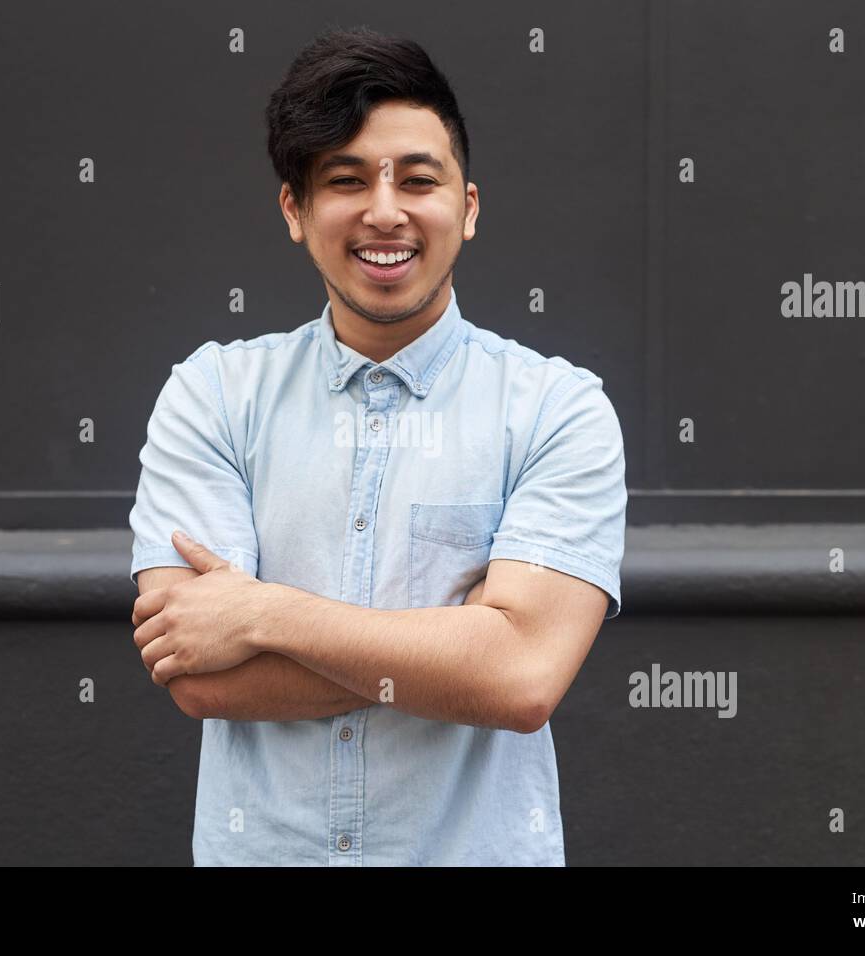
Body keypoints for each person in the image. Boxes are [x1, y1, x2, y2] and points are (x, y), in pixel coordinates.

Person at [128, 25, 626, 866]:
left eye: (419, 180)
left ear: (468, 207)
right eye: (345, 181)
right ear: (296, 210)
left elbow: (521, 681)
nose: (385, 211)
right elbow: (203, 677)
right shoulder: (213, 396)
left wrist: (265, 613)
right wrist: (460, 650)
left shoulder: (557, 409)